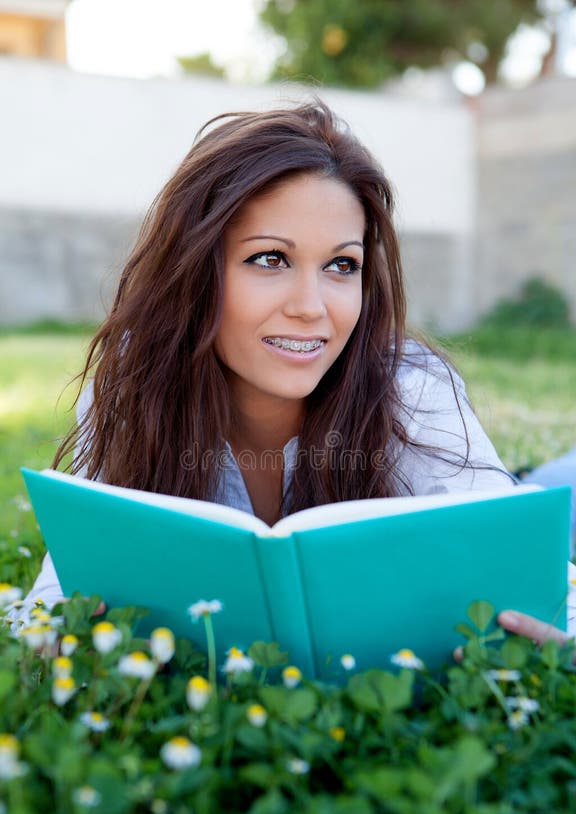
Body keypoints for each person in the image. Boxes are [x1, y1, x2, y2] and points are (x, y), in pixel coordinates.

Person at [21, 100, 575, 644]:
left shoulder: (411, 392)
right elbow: (53, 602)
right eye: (270, 259)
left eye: (341, 265)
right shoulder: (135, 386)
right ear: (195, 271)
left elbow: (536, 581)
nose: (312, 306)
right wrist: (60, 633)